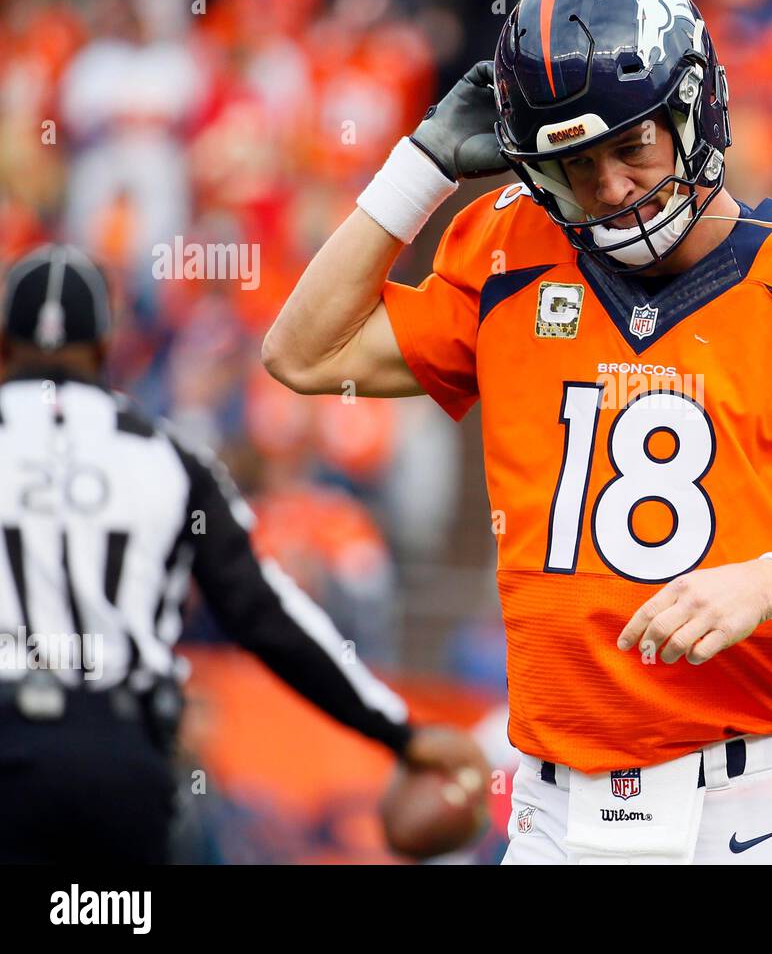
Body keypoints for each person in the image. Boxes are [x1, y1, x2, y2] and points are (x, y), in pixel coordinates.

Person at [262, 0, 772, 865]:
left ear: (698, 107)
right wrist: (420, 170)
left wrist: (769, 583)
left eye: (631, 147)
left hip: (748, 791)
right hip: (553, 800)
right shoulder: (510, 248)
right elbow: (303, 351)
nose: (608, 189)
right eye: (572, 163)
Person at [0, 243, 487, 865]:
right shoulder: (167, 459)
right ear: (105, 344)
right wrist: (398, 732)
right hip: (118, 757)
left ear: (6, 341)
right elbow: (266, 614)